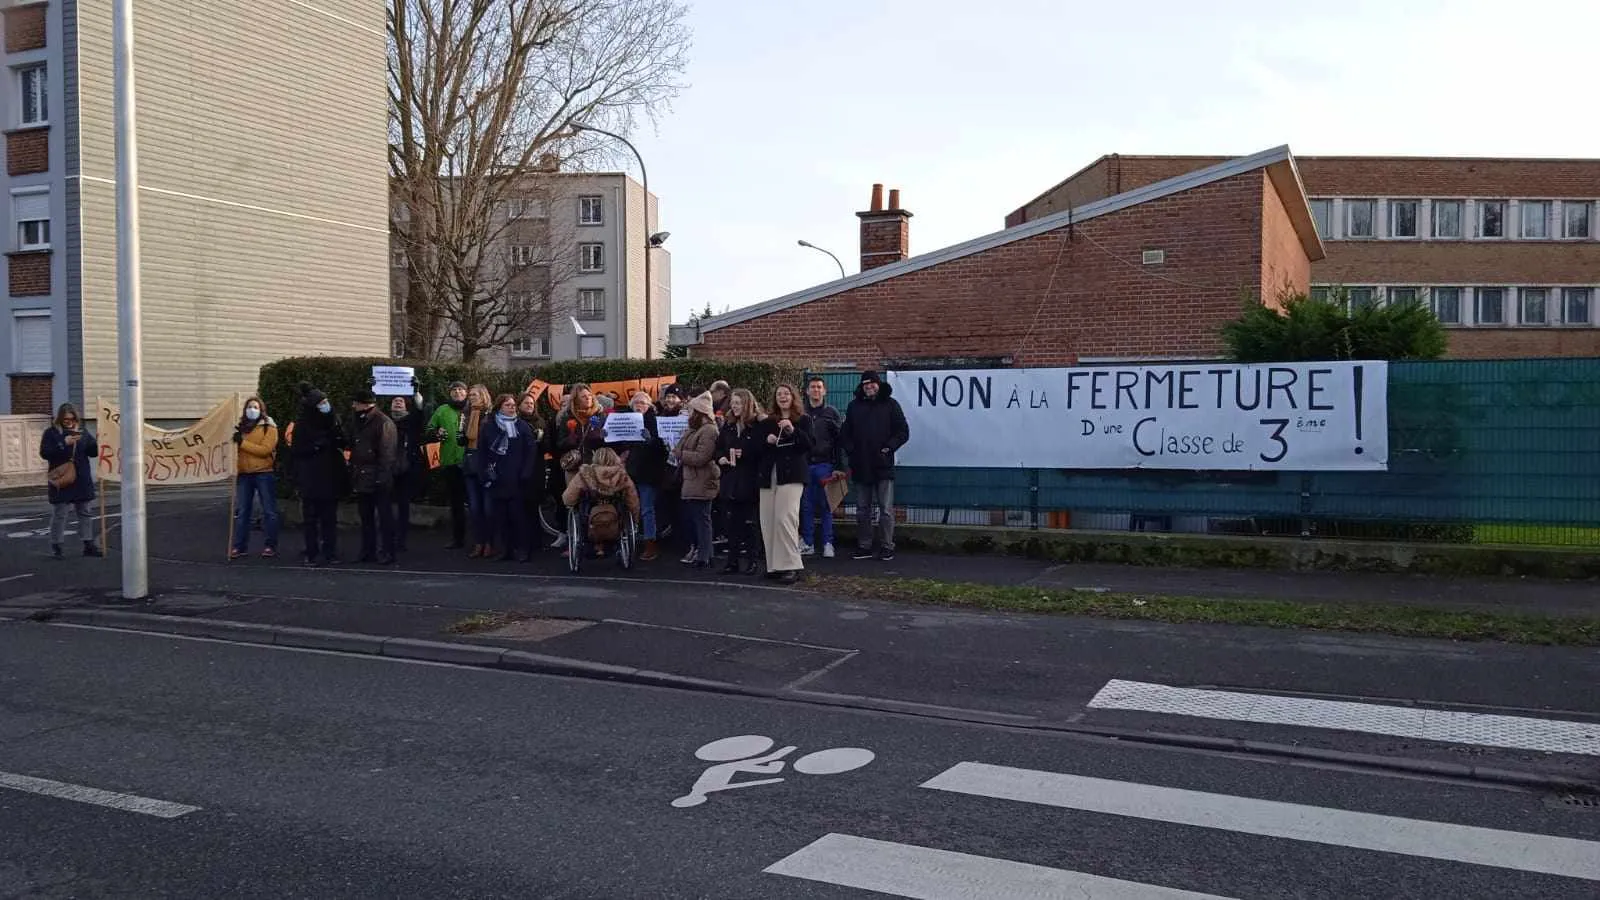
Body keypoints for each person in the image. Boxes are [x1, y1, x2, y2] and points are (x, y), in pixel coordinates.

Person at [839, 371, 910, 561]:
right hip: (861, 465)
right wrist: (852, 451)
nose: (869, 387)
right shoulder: (853, 406)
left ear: (878, 384)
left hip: (883, 465)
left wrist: (889, 447)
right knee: (862, 509)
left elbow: (903, 431)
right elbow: (845, 434)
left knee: (886, 509)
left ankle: (887, 546)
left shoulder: (891, 404)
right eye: (865, 384)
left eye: (872, 383)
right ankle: (864, 546)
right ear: (861, 387)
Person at [755, 384, 813, 583]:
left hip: (792, 475)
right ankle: (774, 565)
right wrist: (767, 441)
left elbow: (809, 445)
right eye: (779, 394)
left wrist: (792, 430)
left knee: (785, 518)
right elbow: (755, 448)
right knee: (768, 520)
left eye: (786, 393)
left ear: (793, 397)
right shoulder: (767, 423)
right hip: (769, 475)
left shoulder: (803, 420)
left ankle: (791, 565)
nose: (782, 397)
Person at [290, 383, 346, 566]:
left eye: (326, 401)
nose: (326, 405)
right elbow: (297, 451)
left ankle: (330, 552)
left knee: (330, 518)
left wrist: (338, 437)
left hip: (330, 476)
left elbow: (343, 441)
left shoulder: (332, 420)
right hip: (311, 478)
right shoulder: (303, 425)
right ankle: (311, 552)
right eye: (322, 403)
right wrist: (315, 447)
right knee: (311, 519)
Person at [479, 393, 540, 561]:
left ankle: (523, 550)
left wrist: (526, 473)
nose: (512, 408)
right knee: (501, 517)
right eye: (508, 405)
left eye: (513, 405)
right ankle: (506, 550)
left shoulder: (522, 426)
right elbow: (483, 451)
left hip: (517, 478)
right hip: (497, 477)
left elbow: (530, 451)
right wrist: (485, 474)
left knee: (518, 517)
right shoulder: (489, 427)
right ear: (499, 407)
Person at [38, 403, 102, 560]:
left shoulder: (82, 432)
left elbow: (92, 452)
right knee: (60, 513)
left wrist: (99, 442)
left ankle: (88, 544)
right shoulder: (51, 433)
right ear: (60, 418)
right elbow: (45, 453)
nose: (69, 422)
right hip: (62, 478)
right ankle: (57, 546)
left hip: (81, 478)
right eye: (66, 419)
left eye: (72, 419)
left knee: (85, 512)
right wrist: (63, 444)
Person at [348, 389, 398, 565]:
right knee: (366, 516)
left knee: (384, 517)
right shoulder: (359, 420)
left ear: (364, 404)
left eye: (356, 402)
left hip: (377, 476)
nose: (353, 406)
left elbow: (387, 454)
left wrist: (381, 478)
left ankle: (387, 551)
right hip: (362, 474)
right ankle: (367, 550)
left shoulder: (383, 422)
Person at [561, 446, 641, 558]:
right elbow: (632, 500)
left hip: (589, 518)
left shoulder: (585, 474)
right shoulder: (621, 475)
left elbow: (568, 498)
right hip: (615, 518)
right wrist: (635, 519)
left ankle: (594, 547)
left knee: (582, 508)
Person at [715, 389, 763, 575]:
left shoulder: (756, 426)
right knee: (731, 524)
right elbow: (718, 448)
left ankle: (752, 561)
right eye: (733, 403)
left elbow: (762, 450)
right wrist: (721, 458)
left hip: (749, 480)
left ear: (747, 404)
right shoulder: (728, 426)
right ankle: (732, 561)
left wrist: (747, 453)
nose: (734, 406)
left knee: (750, 524)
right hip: (731, 480)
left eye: (738, 403)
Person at [672, 393, 721, 568]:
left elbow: (702, 457)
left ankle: (704, 556)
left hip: (702, 480)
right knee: (696, 519)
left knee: (702, 519)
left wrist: (681, 454)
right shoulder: (694, 429)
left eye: (691, 411)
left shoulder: (709, 431)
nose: (688, 414)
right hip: (693, 480)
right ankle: (703, 553)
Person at [230, 396, 280, 560]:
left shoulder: (268, 427)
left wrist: (242, 443)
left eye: (256, 407)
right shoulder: (241, 428)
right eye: (249, 407)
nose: (252, 410)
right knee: (243, 512)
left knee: (269, 511)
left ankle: (270, 545)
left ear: (261, 410)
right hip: (244, 473)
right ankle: (239, 546)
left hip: (264, 472)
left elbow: (265, 450)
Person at [800, 377, 842, 559]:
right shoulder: (801, 413)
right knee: (806, 506)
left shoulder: (831, 413)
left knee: (826, 506)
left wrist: (838, 466)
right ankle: (808, 543)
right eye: (812, 387)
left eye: (819, 387)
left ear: (824, 391)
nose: (816, 390)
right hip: (805, 465)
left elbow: (839, 442)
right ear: (807, 391)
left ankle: (827, 543)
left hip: (825, 465)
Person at [621, 391, 666, 561]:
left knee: (647, 508)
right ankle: (628, 540)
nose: (639, 405)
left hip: (648, 472)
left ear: (649, 406)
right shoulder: (627, 421)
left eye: (643, 403)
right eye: (636, 403)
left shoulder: (655, 422)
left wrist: (651, 441)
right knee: (628, 506)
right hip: (631, 471)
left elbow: (663, 448)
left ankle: (650, 543)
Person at [426, 382, 471, 549]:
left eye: (461, 389)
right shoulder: (442, 410)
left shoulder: (473, 409)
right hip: (450, 462)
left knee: (477, 503)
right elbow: (429, 429)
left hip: (471, 462)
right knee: (456, 503)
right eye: (454, 390)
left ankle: (481, 540)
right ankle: (458, 539)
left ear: (466, 392)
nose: (457, 392)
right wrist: (437, 433)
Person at [389, 393, 428, 555]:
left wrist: (418, 398)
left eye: (401, 401)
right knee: (387, 506)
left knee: (403, 505)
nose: (398, 402)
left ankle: (401, 540)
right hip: (388, 468)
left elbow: (420, 415)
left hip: (406, 468)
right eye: (395, 400)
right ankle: (388, 538)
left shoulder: (412, 421)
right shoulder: (384, 420)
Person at [462, 384, 493, 558]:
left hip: (485, 464)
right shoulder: (466, 414)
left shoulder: (490, 416)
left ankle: (489, 543)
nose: (471, 397)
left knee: (488, 508)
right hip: (470, 462)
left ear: (483, 396)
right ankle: (478, 542)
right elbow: (464, 440)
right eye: (470, 395)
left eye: (475, 394)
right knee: (474, 508)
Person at [516, 392, 547, 556]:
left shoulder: (540, 422)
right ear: (519, 405)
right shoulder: (514, 422)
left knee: (533, 507)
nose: (529, 405)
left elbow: (548, 447)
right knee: (520, 508)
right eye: (526, 403)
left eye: (531, 403)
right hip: (518, 469)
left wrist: (540, 441)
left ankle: (536, 542)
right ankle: (523, 542)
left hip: (536, 469)